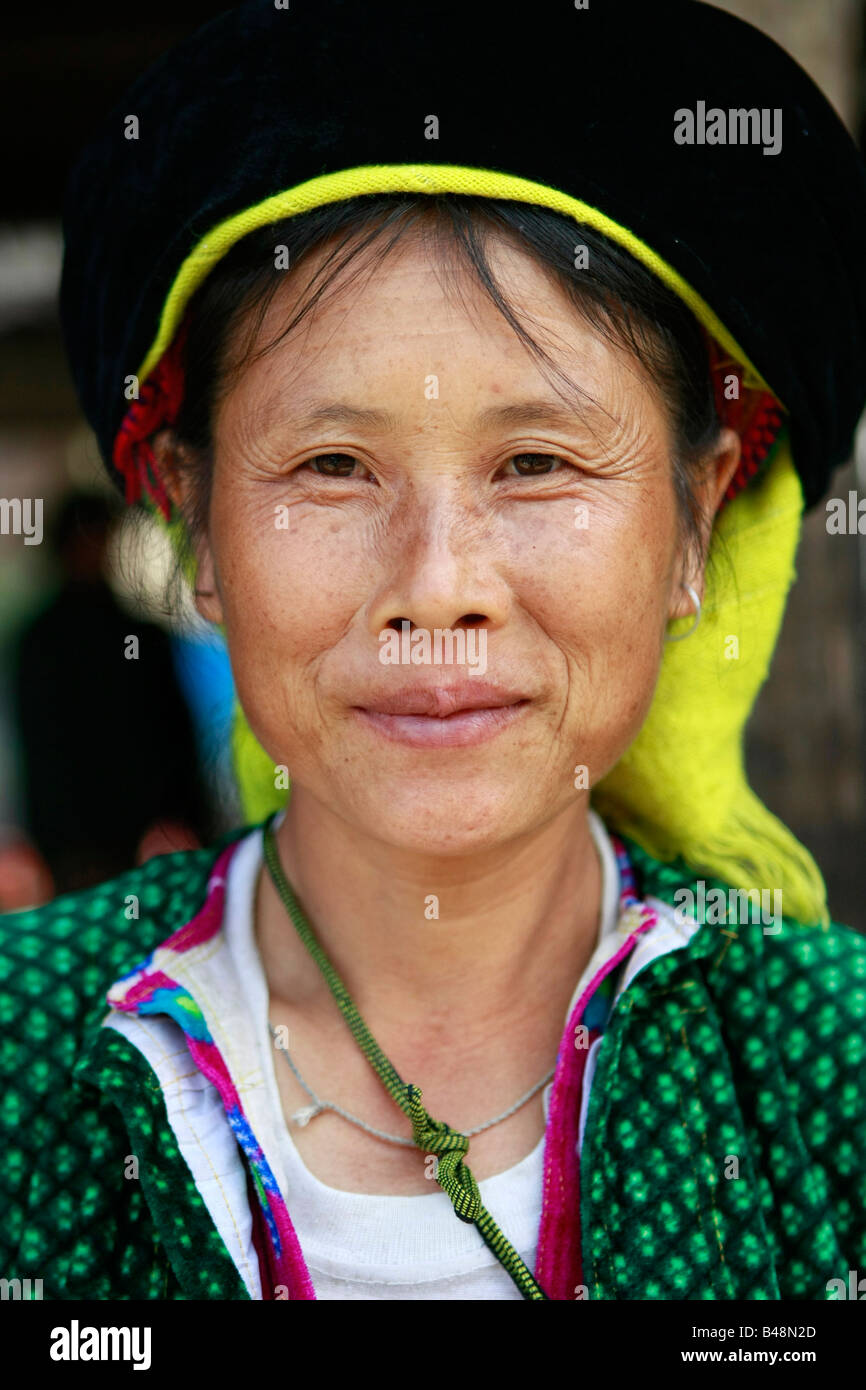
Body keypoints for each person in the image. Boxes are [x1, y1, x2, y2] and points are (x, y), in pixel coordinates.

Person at [1, 0, 865, 1301]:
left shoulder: (832, 1073)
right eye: (333, 466)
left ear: (696, 517)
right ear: (194, 521)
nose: (434, 586)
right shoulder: (23, 1054)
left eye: (536, 462)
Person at [9, 490, 211, 895]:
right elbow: (40, 749)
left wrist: (178, 818)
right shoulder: (42, 642)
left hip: (139, 841)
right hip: (76, 847)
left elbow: (169, 733)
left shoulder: (137, 637)